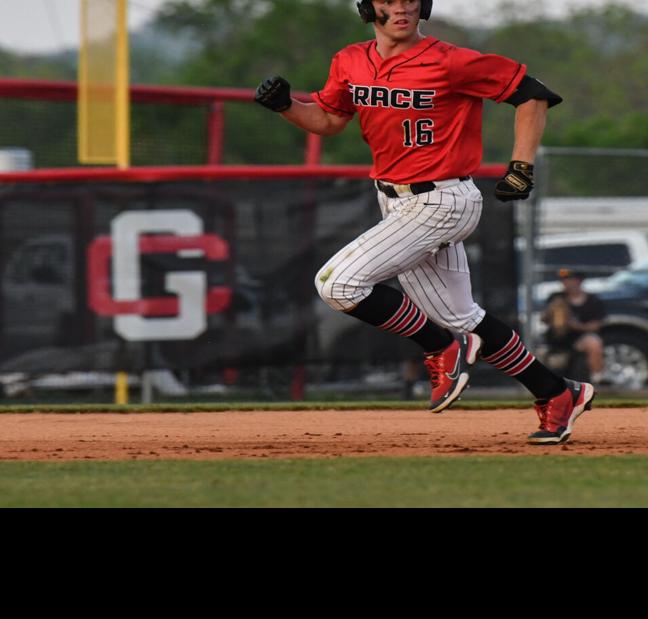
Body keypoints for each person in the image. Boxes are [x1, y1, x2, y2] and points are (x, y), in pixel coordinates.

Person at [254, 0, 593, 444]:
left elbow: (533, 93)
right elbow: (331, 119)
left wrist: (521, 165)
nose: (403, 6)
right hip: (394, 201)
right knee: (459, 314)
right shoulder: (351, 60)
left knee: (337, 284)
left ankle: (440, 347)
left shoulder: (449, 60)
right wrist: (286, 106)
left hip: (443, 198)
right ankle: (556, 392)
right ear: (367, 7)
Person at [542, 268, 605, 383]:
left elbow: (596, 325)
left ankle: (597, 379)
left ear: (579, 281)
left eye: (570, 279)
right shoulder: (556, 297)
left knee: (593, 342)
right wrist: (552, 311)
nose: (566, 283)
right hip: (558, 338)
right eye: (564, 280)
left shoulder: (592, 300)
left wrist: (574, 325)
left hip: (579, 338)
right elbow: (544, 320)